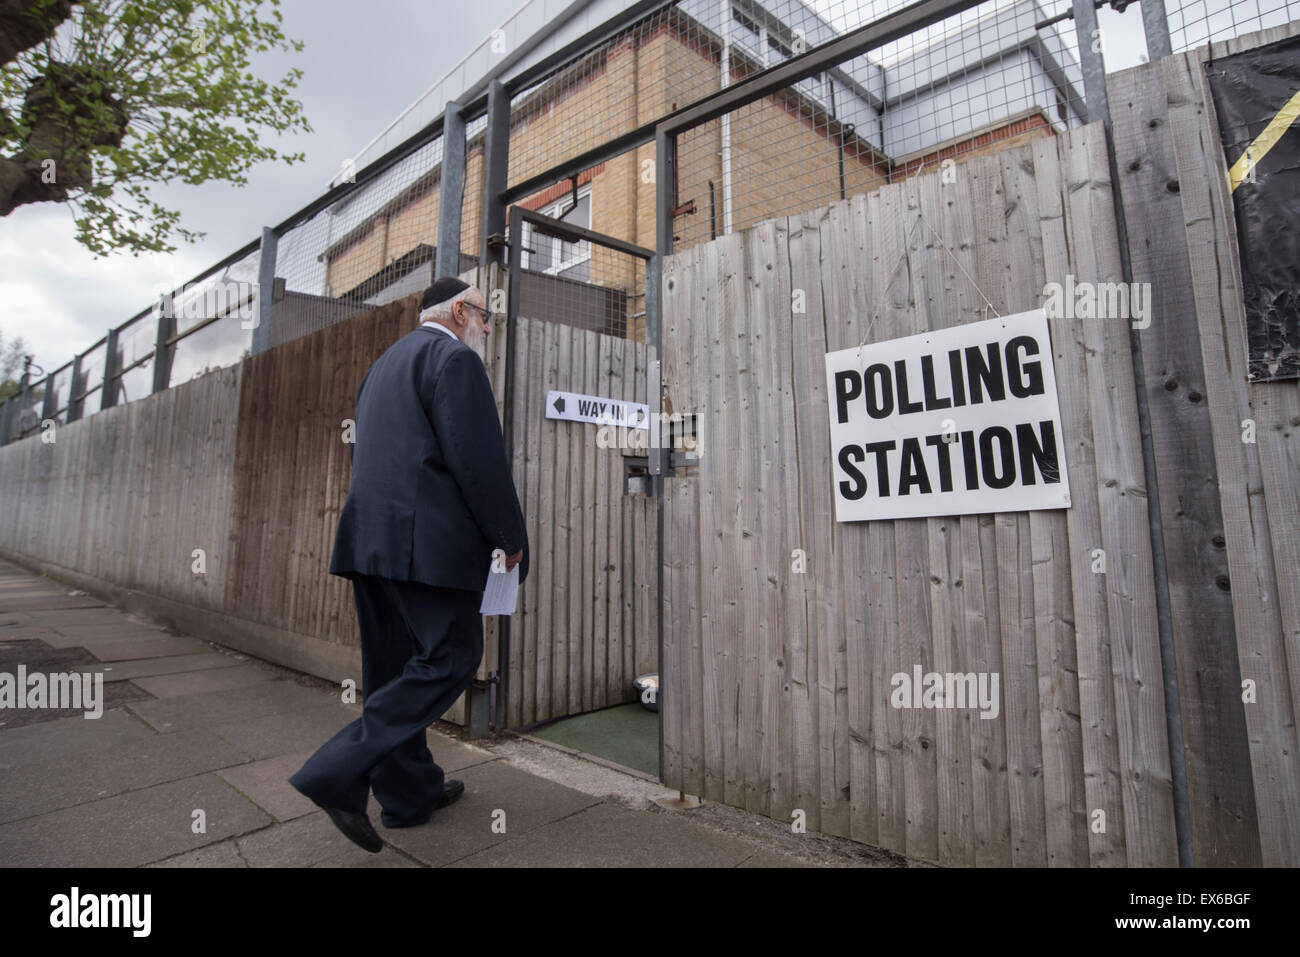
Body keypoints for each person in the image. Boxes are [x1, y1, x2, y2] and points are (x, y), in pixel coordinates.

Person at [289, 277, 528, 853]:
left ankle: (407, 796)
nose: (488, 328)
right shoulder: (455, 360)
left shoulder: (383, 365)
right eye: (485, 315)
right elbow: (477, 461)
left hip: (371, 544)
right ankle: (335, 771)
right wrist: (508, 538)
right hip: (427, 548)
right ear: (459, 311)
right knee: (452, 656)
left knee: (393, 672)